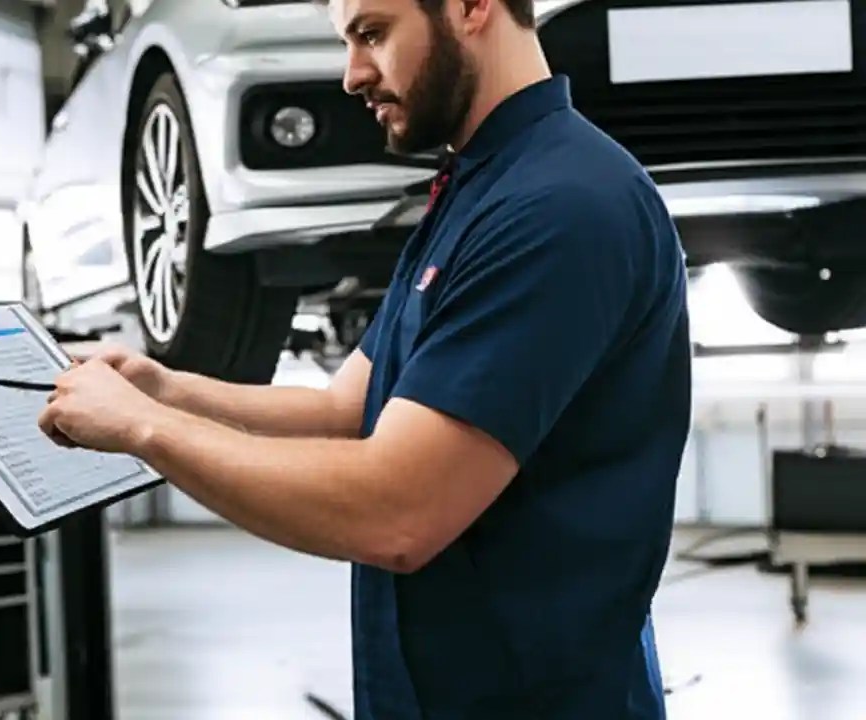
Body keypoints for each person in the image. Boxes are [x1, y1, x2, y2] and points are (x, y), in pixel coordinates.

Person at [36, 0, 691, 716]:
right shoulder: (476, 191)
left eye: (373, 33)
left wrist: (142, 429)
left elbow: (398, 512)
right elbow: (346, 410)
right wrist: (167, 390)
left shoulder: (560, 207)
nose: (351, 75)